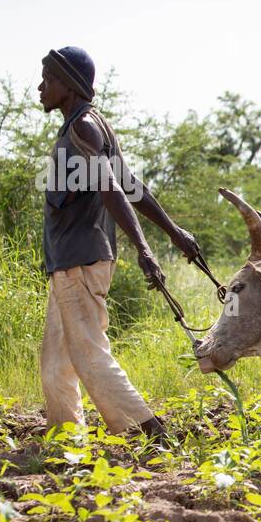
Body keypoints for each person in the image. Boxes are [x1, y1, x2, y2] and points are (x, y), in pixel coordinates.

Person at [37, 46, 199, 441]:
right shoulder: (91, 125)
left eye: (48, 78)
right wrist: (173, 231)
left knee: (89, 355)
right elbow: (132, 188)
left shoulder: (84, 128)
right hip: (68, 263)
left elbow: (112, 188)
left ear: (69, 85)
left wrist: (145, 248)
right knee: (55, 362)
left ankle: (148, 432)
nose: (40, 87)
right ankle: (67, 439)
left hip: (80, 261)